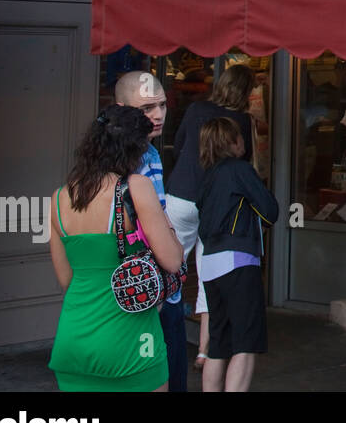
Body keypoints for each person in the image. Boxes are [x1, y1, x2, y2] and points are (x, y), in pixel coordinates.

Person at [48, 105, 183, 391]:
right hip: (132, 342)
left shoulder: (59, 198)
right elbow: (172, 261)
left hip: (74, 341)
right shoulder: (136, 187)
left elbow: (66, 280)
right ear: (133, 150)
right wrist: (166, 224)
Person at [164, 62, 257, 371]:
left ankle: (157, 336)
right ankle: (206, 349)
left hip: (180, 193)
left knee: (168, 266)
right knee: (209, 275)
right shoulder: (241, 120)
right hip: (215, 204)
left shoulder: (196, 109)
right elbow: (241, 162)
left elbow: (177, 146)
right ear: (246, 91)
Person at [196, 116, 280, 391]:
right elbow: (270, 210)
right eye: (242, 136)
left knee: (219, 343)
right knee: (246, 342)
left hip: (209, 262)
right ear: (232, 142)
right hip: (238, 259)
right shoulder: (239, 169)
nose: (245, 140)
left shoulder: (207, 175)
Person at [113, 71, 184, 390]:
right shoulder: (120, 160)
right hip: (140, 294)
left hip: (162, 290)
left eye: (162, 105)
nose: (157, 115)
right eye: (146, 109)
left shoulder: (152, 153)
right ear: (121, 109)